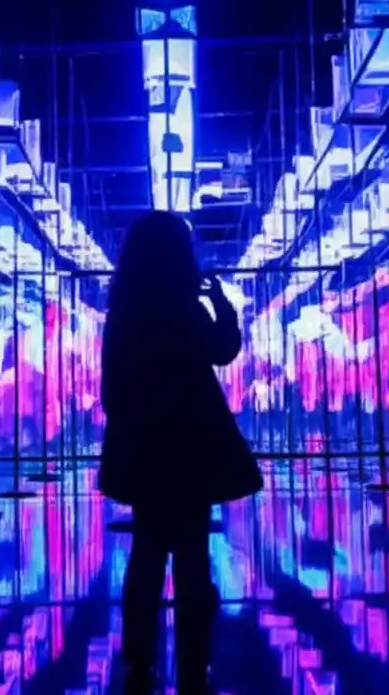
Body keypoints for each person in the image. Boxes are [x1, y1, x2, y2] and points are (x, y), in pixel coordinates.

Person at [99, 212, 262, 695]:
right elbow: (224, 348)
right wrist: (219, 303)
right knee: (192, 558)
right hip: (192, 450)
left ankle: (138, 661)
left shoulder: (126, 310)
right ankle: (194, 662)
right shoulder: (182, 307)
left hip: (147, 452)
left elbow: (111, 390)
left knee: (146, 555)